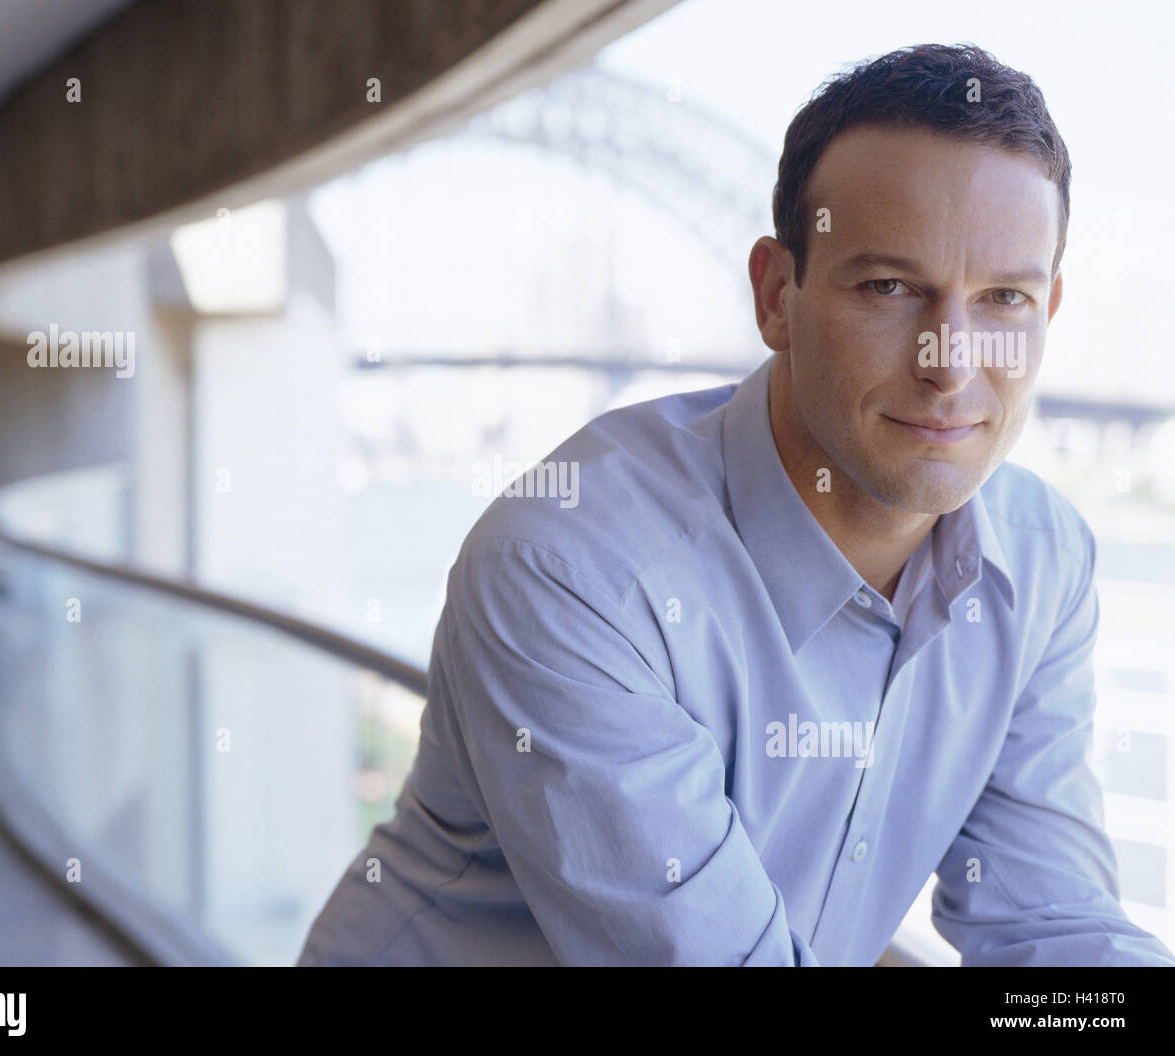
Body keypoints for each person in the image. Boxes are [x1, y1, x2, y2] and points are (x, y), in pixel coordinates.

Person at [298, 42, 1175, 966]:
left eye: (1004, 300)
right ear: (774, 295)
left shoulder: (1043, 565)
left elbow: (1050, 927)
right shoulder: (576, 570)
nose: (950, 364)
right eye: (890, 288)